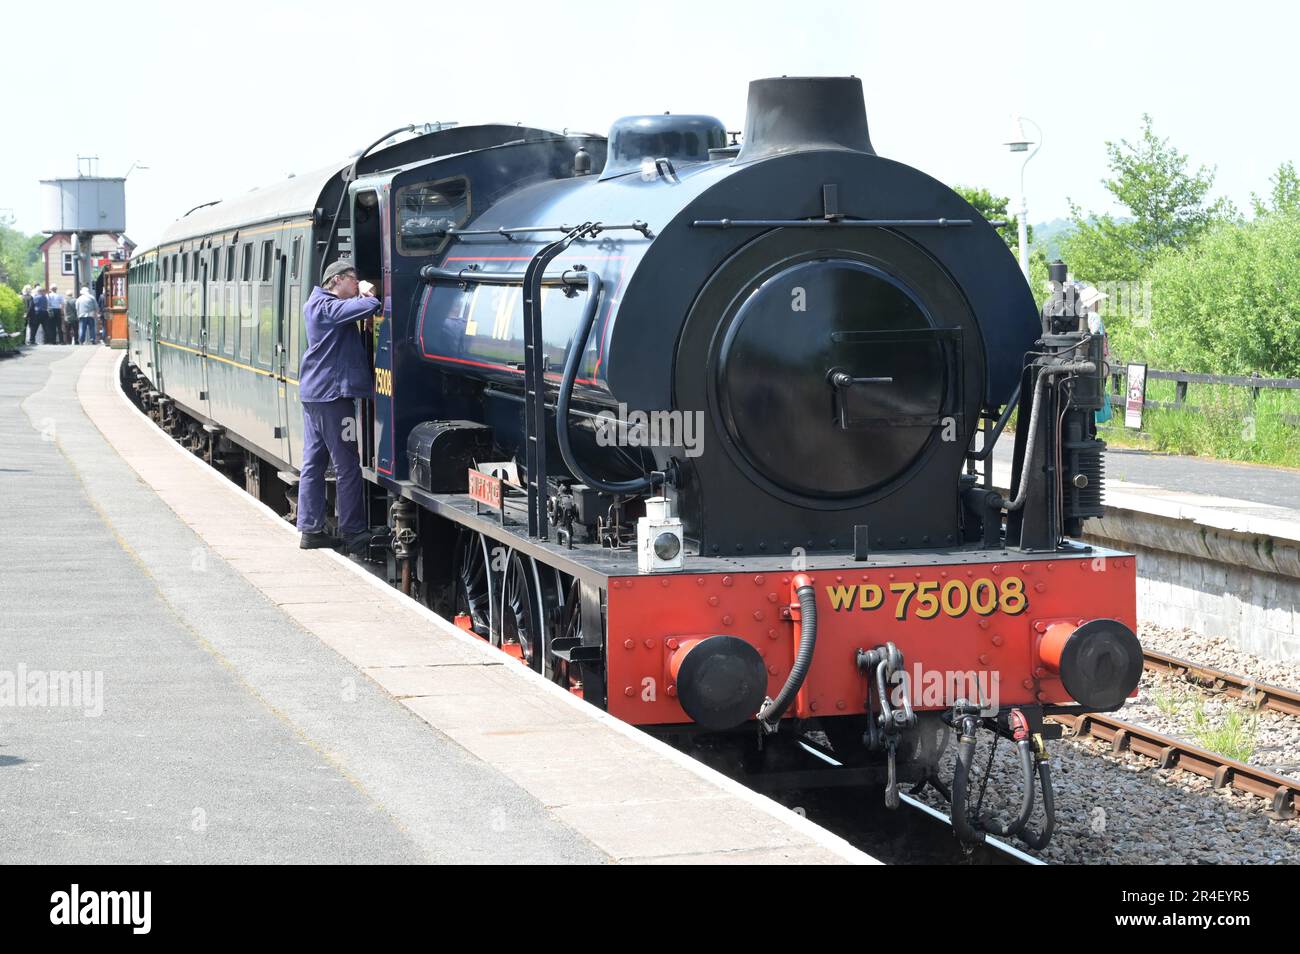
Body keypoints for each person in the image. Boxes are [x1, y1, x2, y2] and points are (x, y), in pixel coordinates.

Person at [296, 259, 383, 554]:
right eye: (353, 279)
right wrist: (369, 294)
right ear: (337, 280)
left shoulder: (315, 305)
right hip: (332, 396)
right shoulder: (327, 307)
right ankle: (353, 530)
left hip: (314, 395)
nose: (356, 283)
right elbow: (370, 306)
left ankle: (310, 529)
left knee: (313, 464)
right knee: (347, 465)